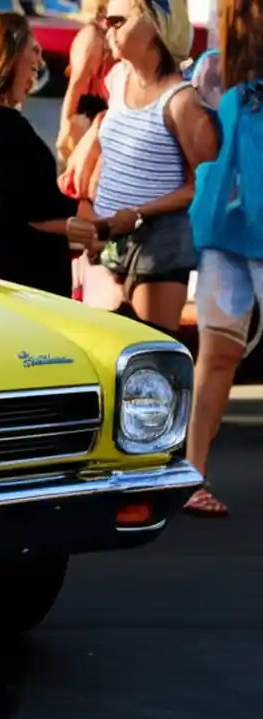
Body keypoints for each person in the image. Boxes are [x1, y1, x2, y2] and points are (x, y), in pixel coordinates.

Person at [0, 12, 105, 298]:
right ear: (7, 55)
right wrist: (85, 228)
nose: (41, 62)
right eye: (34, 50)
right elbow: (25, 210)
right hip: (13, 281)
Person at [86, 0, 217, 333]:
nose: (107, 28)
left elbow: (205, 183)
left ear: (155, 26)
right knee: (101, 354)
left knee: (150, 361)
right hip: (106, 241)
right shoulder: (117, 80)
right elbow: (119, 142)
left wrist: (139, 211)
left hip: (159, 251)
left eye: (118, 21)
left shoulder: (181, 102)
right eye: (106, 20)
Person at [183, 0, 263, 517]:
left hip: (224, 227)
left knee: (217, 357)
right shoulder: (212, 70)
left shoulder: (212, 71)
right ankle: (191, 475)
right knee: (217, 357)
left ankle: (192, 475)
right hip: (235, 229)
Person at [57, 0, 119, 162]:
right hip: (87, 118)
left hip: (98, 114)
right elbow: (76, 85)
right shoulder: (93, 37)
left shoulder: (104, 34)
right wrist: (66, 127)